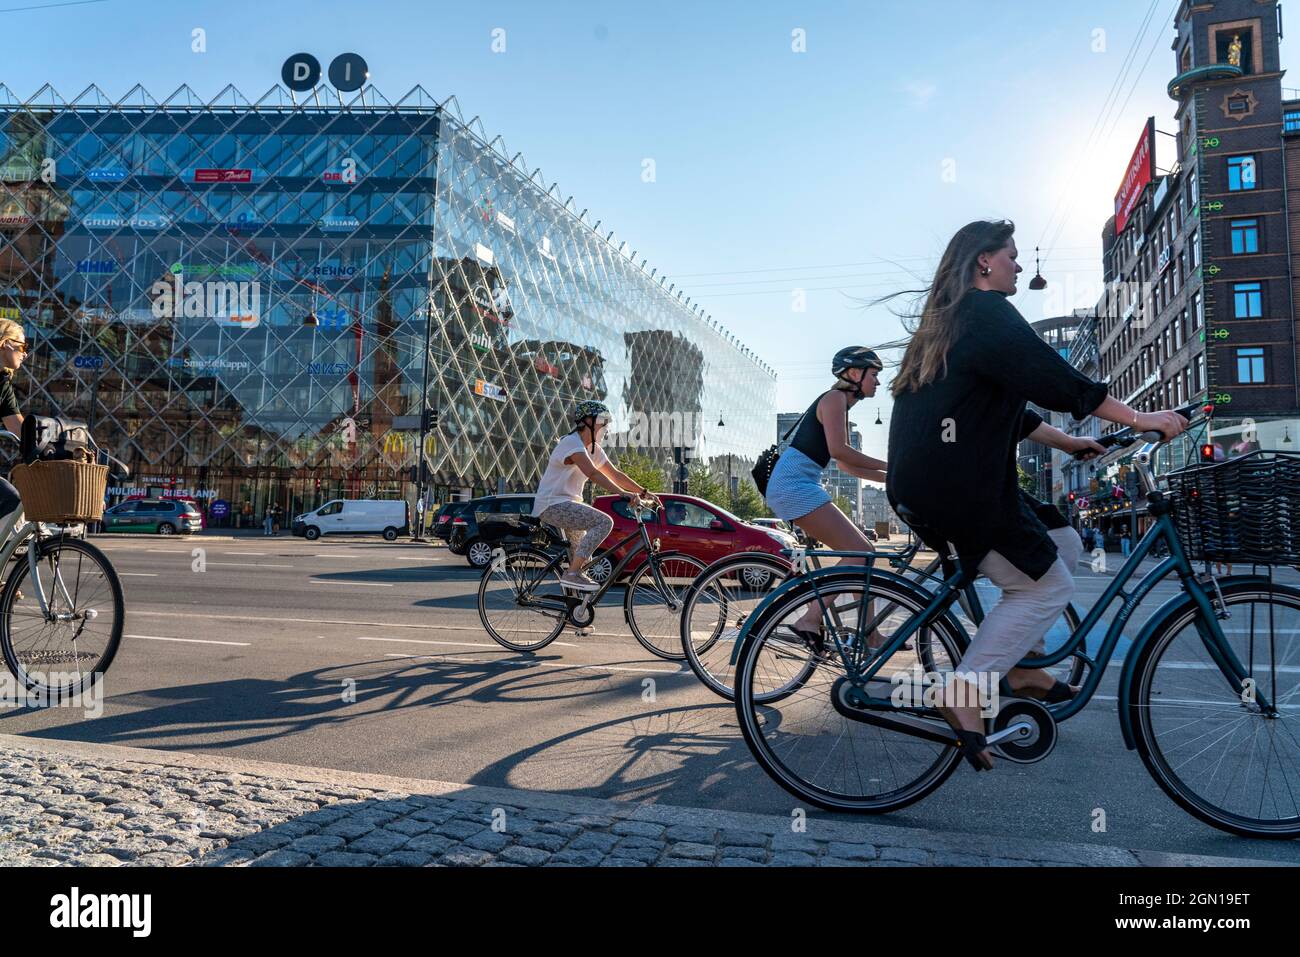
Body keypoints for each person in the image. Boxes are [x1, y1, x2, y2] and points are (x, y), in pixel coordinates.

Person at [886, 219, 1187, 770]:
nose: (1019, 266)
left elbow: (1011, 408)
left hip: (943, 478)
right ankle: (964, 689)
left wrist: (1071, 443)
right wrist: (1143, 417)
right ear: (984, 261)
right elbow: (1054, 378)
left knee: (1062, 539)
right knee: (1046, 588)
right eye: (1012, 256)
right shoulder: (985, 313)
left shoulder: (956, 324)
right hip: (960, 484)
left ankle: (1020, 665)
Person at [764, 346, 889, 648]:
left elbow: (846, 464)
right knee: (860, 552)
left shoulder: (840, 403)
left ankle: (869, 634)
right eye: (874, 374)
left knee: (863, 556)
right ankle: (810, 618)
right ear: (855, 374)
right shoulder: (834, 399)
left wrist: (892, 480)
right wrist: (892, 465)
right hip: (794, 485)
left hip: (799, 483)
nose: (878, 382)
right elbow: (839, 451)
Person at [532, 401, 660, 591]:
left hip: (569, 504)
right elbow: (593, 473)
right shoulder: (571, 443)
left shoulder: (593, 449)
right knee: (604, 522)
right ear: (588, 422)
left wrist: (643, 492)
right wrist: (623, 493)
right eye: (602, 421)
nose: (606, 428)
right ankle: (572, 573)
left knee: (584, 563)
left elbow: (616, 474)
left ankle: (571, 615)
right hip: (552, 505)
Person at [0, 319, 27, 547]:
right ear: (6, 344)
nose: (24, 354)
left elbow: (18, 427)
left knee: (12, 500)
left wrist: (55, 449)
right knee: (9, 498)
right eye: (22, 347)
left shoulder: (3, 384)